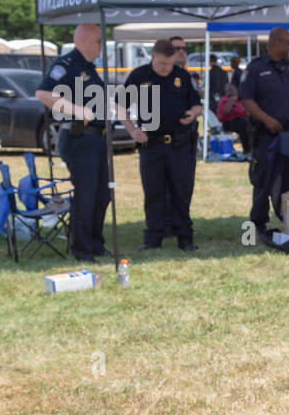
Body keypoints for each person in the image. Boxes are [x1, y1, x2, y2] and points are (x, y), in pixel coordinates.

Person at [34, 23, 110, 263]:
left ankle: (95, 243)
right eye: (99, 41)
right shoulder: (67, 64)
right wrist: (78, 111)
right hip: (79, 139)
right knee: (86, 195)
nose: (102, 46)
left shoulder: (88, 67)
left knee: (102, 194)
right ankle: (82, 249)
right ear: (86, 41)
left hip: (96, 140)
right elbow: (44, 94)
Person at [118, 38, 203, 252]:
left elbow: (196, 104)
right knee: (153, 192)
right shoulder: (139, 76)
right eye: (162, 64)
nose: (166, 68)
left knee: (181, 192)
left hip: (179, 145)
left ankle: (185, 237)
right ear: (152, 57)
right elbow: (120, 107)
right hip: (152, 145)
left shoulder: (182, 75)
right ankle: (153, 239)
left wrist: (192, 114)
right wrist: (132, 131)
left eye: (170, 64)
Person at [240, 27, 289, 233]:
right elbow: (246, 100)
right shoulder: (256, 68)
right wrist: (267, 119)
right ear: (276, 43)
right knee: (263, 179)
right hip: (266, 134)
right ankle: (258, 223)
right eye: (288, 43)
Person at [216, 83, 251, 155]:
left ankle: (253, 149)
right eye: (228, 90)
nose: (230, 92)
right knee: (243, 125)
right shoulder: (224, 100)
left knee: (251, 124)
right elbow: (226, 111)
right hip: (228, 122)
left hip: (243, 119)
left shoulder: (240, 100)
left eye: (231, 90)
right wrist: (231, 101)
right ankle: (247, 150)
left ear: (236, 90)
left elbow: (247, 111)